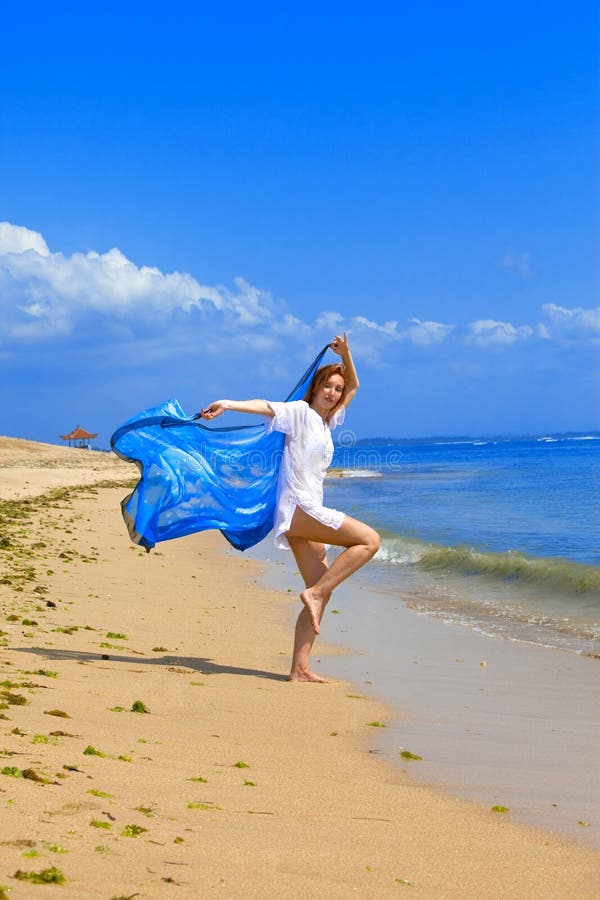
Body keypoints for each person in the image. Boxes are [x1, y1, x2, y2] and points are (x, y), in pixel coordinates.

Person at [200, 334, 380, 682]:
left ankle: (299, 669)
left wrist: (347, 355)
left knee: (320, 588)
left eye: (337, 389)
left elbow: (356, 385)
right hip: (300, 508)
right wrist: (228, 403)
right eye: (328, 386)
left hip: (303, 515)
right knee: (369, 541)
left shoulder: (328, 423)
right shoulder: (299, 413)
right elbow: (266, 406)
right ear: (315, 388)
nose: (334, 392)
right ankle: (314, 594)